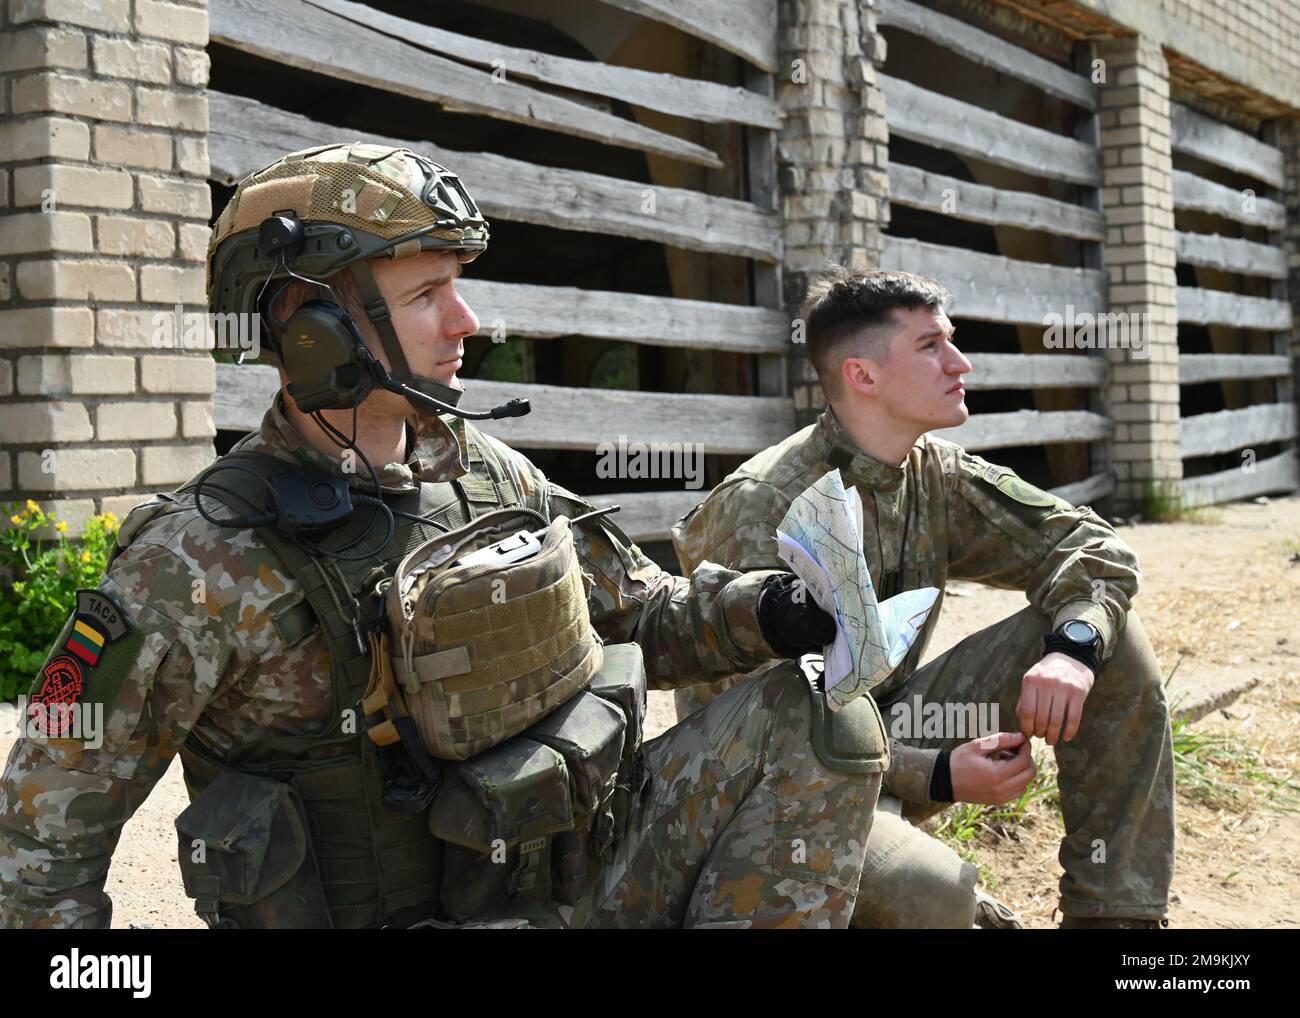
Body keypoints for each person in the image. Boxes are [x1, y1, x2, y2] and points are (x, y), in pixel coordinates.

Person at [0, 145, 883, 930]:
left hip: (563, 882)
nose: (466, 322)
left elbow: (644, 616)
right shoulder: (198, 559)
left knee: (826, 729)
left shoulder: (485, 474)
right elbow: (39, 847)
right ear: (316, 330)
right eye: (428, 294)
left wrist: (773, 609)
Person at [672, 268, 1175, 929]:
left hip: (882, 736)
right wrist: (934, 774)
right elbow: (768, 733)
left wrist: (1073, 651)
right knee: (939, 896)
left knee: (1105, 636)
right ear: (863, 376)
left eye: (952, 341)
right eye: (931, 345)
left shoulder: (930, 471)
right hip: (773, 792)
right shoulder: (764, 504)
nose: (959, 363)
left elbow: (1085, 545)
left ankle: (1117, 921)